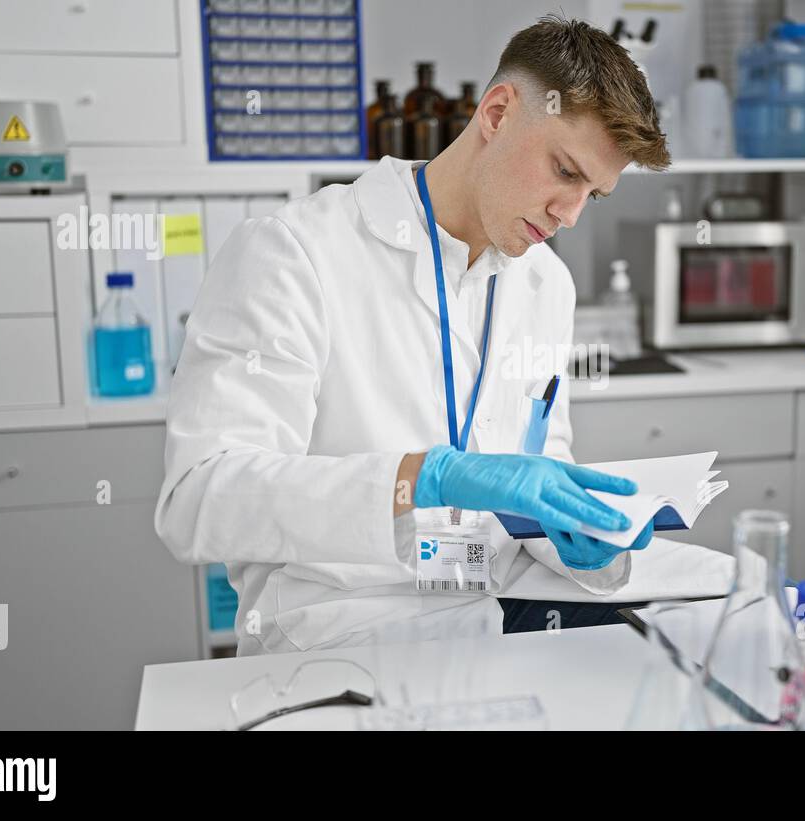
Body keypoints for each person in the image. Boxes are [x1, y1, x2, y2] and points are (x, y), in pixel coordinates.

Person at [154, 14, 672, 655]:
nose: (568, 215)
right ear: (498, 113)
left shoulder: (546, 284)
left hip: (503, 637)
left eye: (593, 195)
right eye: (565, 171)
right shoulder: (294, 253)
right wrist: (421, 479)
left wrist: (582, 539)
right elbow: (199, 499)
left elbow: (542, 465)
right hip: (337, 647)